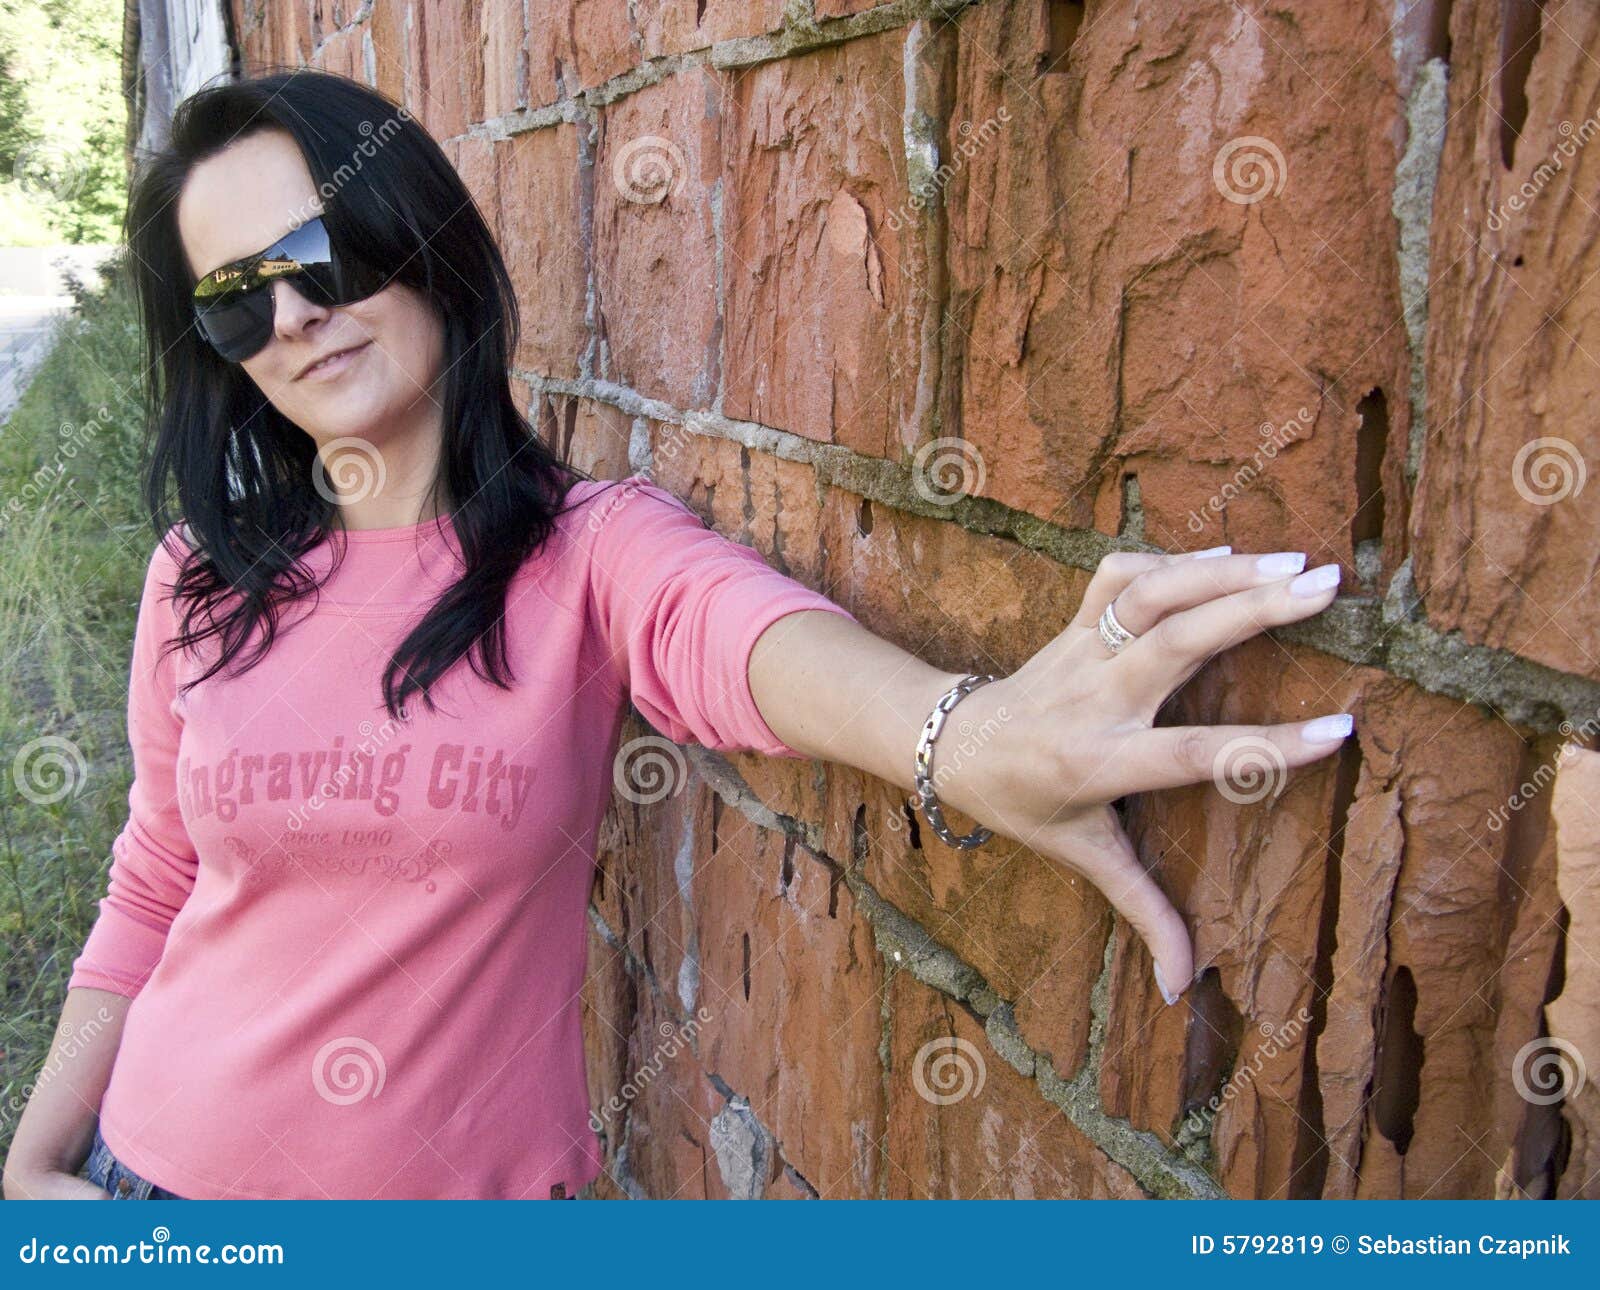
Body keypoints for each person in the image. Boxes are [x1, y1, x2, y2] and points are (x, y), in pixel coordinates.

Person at [1, 68, 1350, 1201]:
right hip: (149, 1188)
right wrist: (34, 1160)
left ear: (418, 236)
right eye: (236, 298)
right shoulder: (200, 582)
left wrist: (971, 734)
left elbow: (734, 632)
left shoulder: (585, 553)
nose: (294, 316)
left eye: (323, 256)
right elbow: (153, 883)